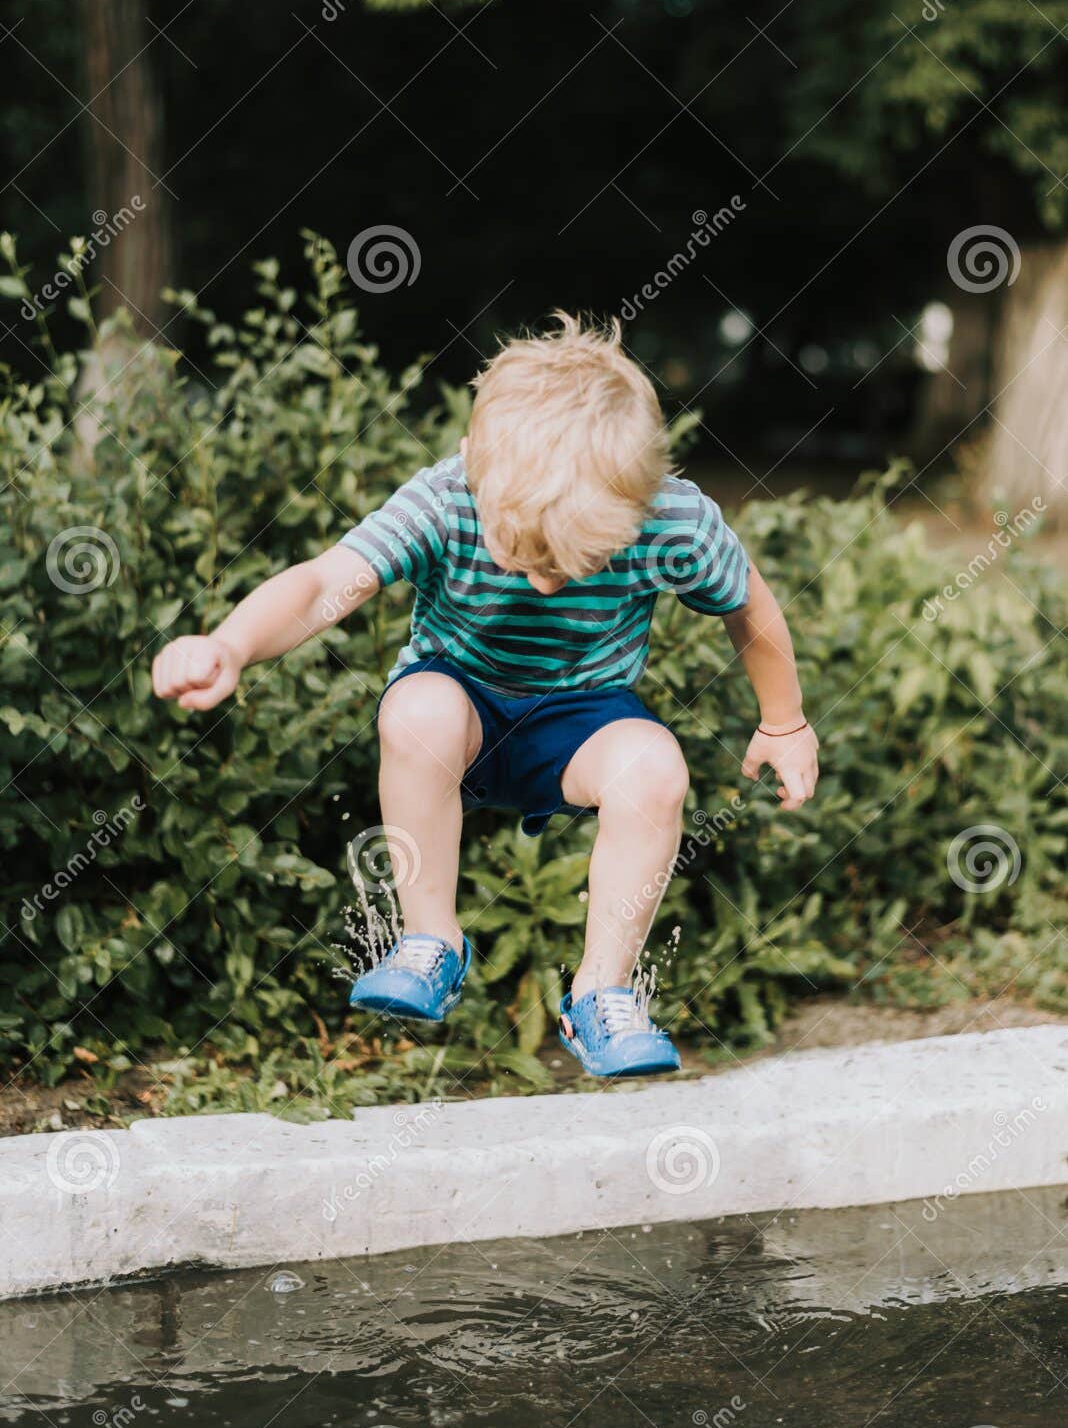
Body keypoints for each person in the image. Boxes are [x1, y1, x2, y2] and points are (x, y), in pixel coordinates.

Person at [152, 314, 818, 1078]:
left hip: (581, 721)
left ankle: (602, 993)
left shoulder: (673, 520)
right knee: (418, 708)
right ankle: (431, 940)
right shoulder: (445, 498)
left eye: (576, 563)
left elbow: (748, 604)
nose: (544, 581)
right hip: (459, 709)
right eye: (523, 555)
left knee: (657, 769)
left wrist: (785, 721)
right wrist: (230, 644)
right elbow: (323, 585)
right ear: (472, 466)